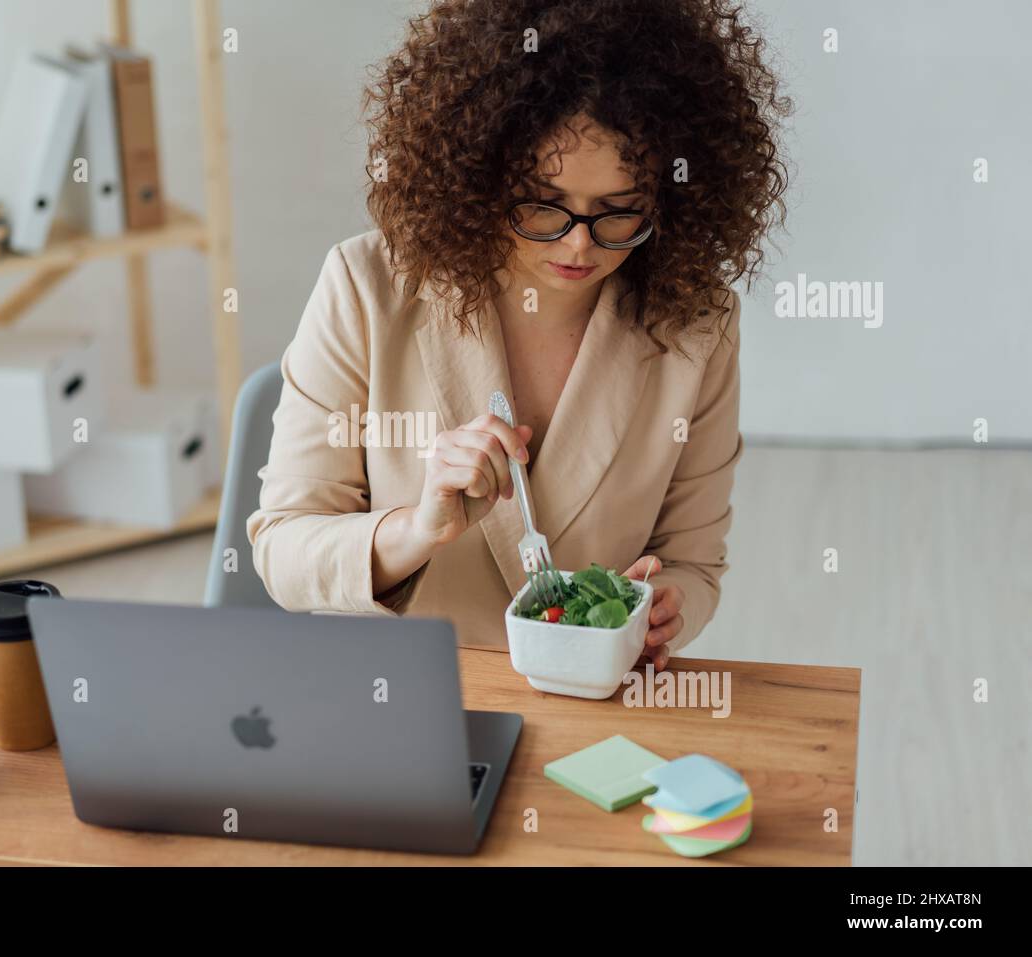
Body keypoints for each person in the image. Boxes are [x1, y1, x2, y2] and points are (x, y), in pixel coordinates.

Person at [248, 0, 790, 668]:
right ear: (479, 175)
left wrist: (666, 606)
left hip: (594, 706)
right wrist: (417, 529)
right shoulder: (366, 288)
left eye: (621, 212)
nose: (581, 244)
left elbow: (694, 563)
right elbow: (284, 549)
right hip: (401, 697)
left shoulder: (698, 323)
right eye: (543, 205)